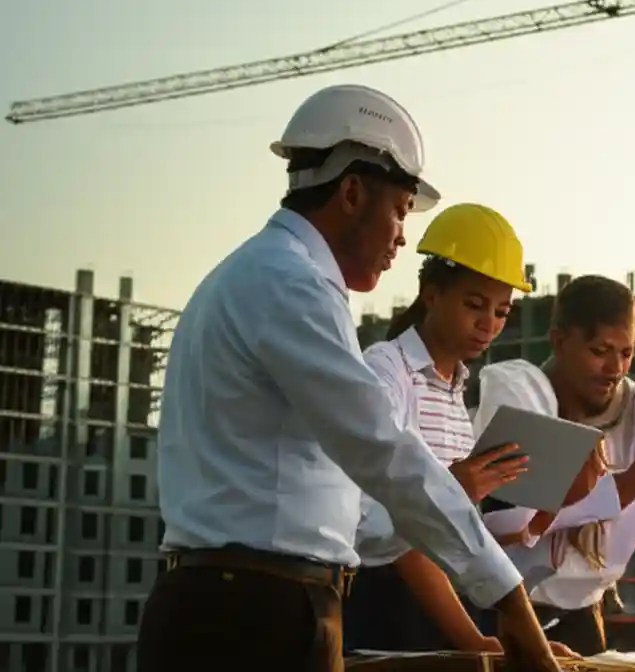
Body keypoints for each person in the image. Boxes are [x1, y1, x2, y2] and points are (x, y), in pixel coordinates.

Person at [136, 84, 559, 672]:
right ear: (354, 192)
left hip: (247, 604)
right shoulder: (289, 285)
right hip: (254, 617)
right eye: (400, 210)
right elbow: (383, 450)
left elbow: (357, 520)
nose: (402, 238)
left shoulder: (256, 275)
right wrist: (508, 597)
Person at [343, 202, 573, 659]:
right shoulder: (386, 373)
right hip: (388, 608)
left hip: (449, 602)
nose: (488, 323)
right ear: (432, 294)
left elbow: (461, 530)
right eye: (475, 305)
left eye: (502, 311)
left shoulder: (457, 394)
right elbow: (386, 526)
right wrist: (476, 642)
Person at [474, 275, 635, 654]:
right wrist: (627, 486)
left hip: (583, 617)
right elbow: (509, 522)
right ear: (560, 341)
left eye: (627, 353)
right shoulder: (518, 394)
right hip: (502, 612)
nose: (615, 368)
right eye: (600, 350)